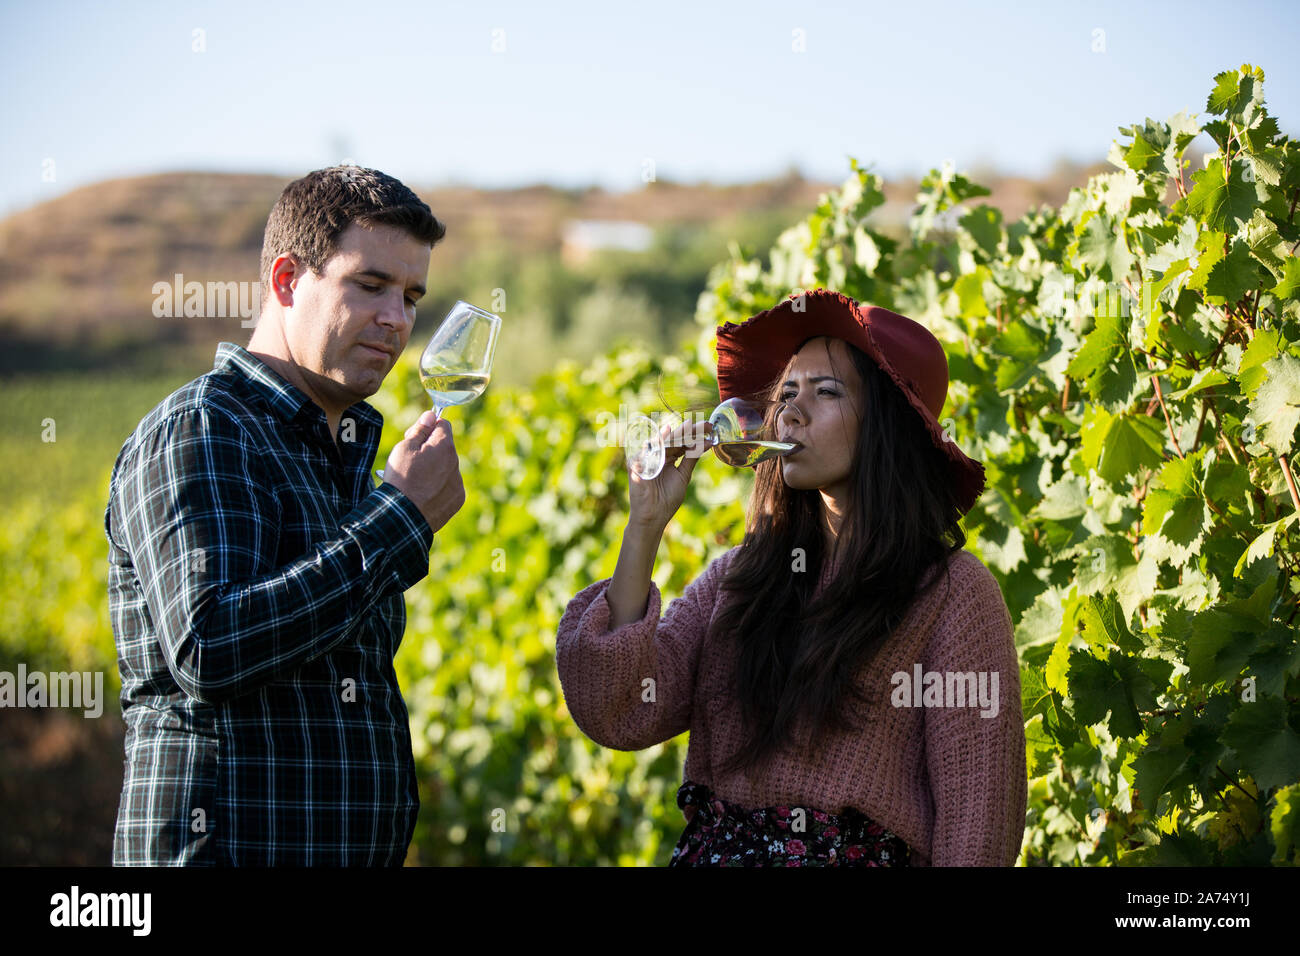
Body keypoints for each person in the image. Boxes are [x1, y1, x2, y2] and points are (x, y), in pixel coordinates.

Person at [556, 288, 1026, 866]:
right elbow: (615, 709)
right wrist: (644, 526)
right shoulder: (739, 579)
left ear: (888, 423)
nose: (790, 412)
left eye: (826, 392)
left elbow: (977, 834)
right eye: (786, 393)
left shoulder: (952, 594)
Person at [105, 166, 466, 865]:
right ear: (285, 281)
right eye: (369, 285)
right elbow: (209, 646)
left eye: (411, 296)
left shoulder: (344, 455)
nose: (396, 319)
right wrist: (398, 519)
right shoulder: (204, 428)